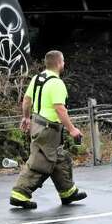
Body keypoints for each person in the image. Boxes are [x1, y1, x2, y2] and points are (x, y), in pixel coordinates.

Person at [9, 50, 87, 210]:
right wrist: (72, 129)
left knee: (59, 158)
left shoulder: (37, 79)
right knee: (42, 162)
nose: (64, 64)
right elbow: (60, 109)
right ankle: (20, 193)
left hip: (38, 124)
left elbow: (26, 100)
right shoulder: (57, 83)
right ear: (59, 63)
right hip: (49, 128)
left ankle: (68, 192)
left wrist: (26, 117)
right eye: (63, 61)